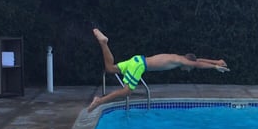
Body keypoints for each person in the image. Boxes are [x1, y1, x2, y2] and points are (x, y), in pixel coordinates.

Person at [87, 28, 229, 112]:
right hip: (140, 66)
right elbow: (197, 64)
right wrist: (215, 67)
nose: (188, 70)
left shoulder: (178, 58)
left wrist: (216, 61)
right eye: (189, 68)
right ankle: (99, 101)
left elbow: (197, 60)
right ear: (188, 61)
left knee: (110, 68)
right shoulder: (180, 60)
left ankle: (103, 43)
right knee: (127, 91)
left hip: (137, 59)